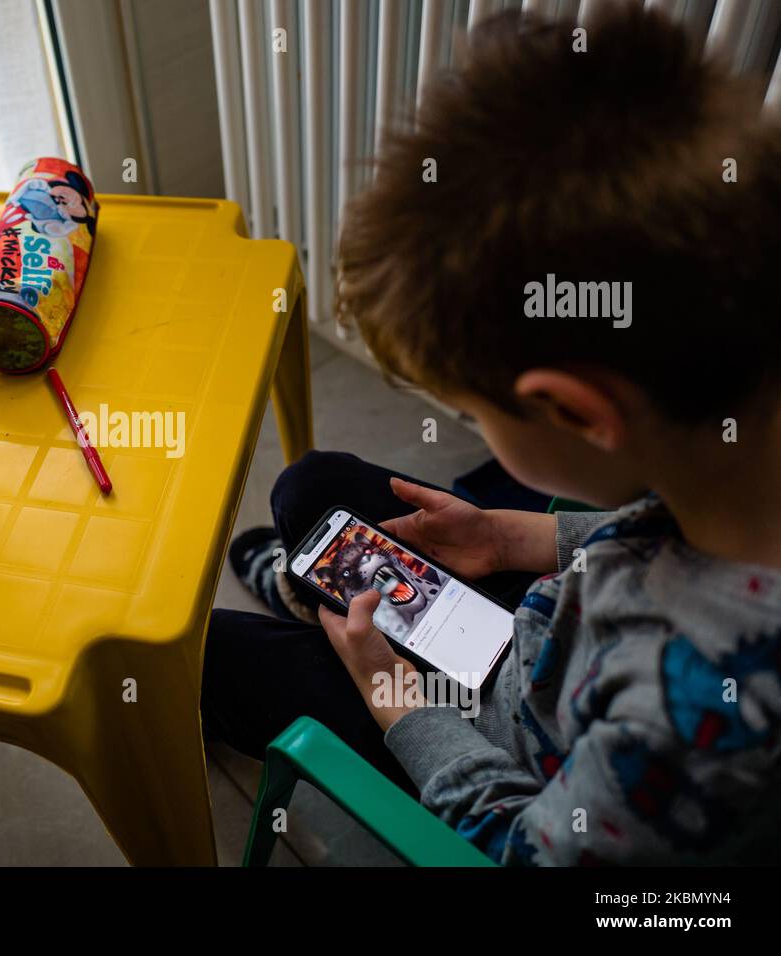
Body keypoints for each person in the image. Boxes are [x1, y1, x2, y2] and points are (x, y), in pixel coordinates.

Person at [204, 4, 781, 864]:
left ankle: (317, 612)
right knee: (312, 488)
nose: (473, 427)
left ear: (580, 413)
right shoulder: (735, 425)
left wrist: (396, 696)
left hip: (503, 748)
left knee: (208, 661)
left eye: (477, 413)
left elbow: (522, 847)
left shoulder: (694, 729)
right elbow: (662, 541)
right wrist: (507, 534)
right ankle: (318, 599)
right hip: (552, 650)